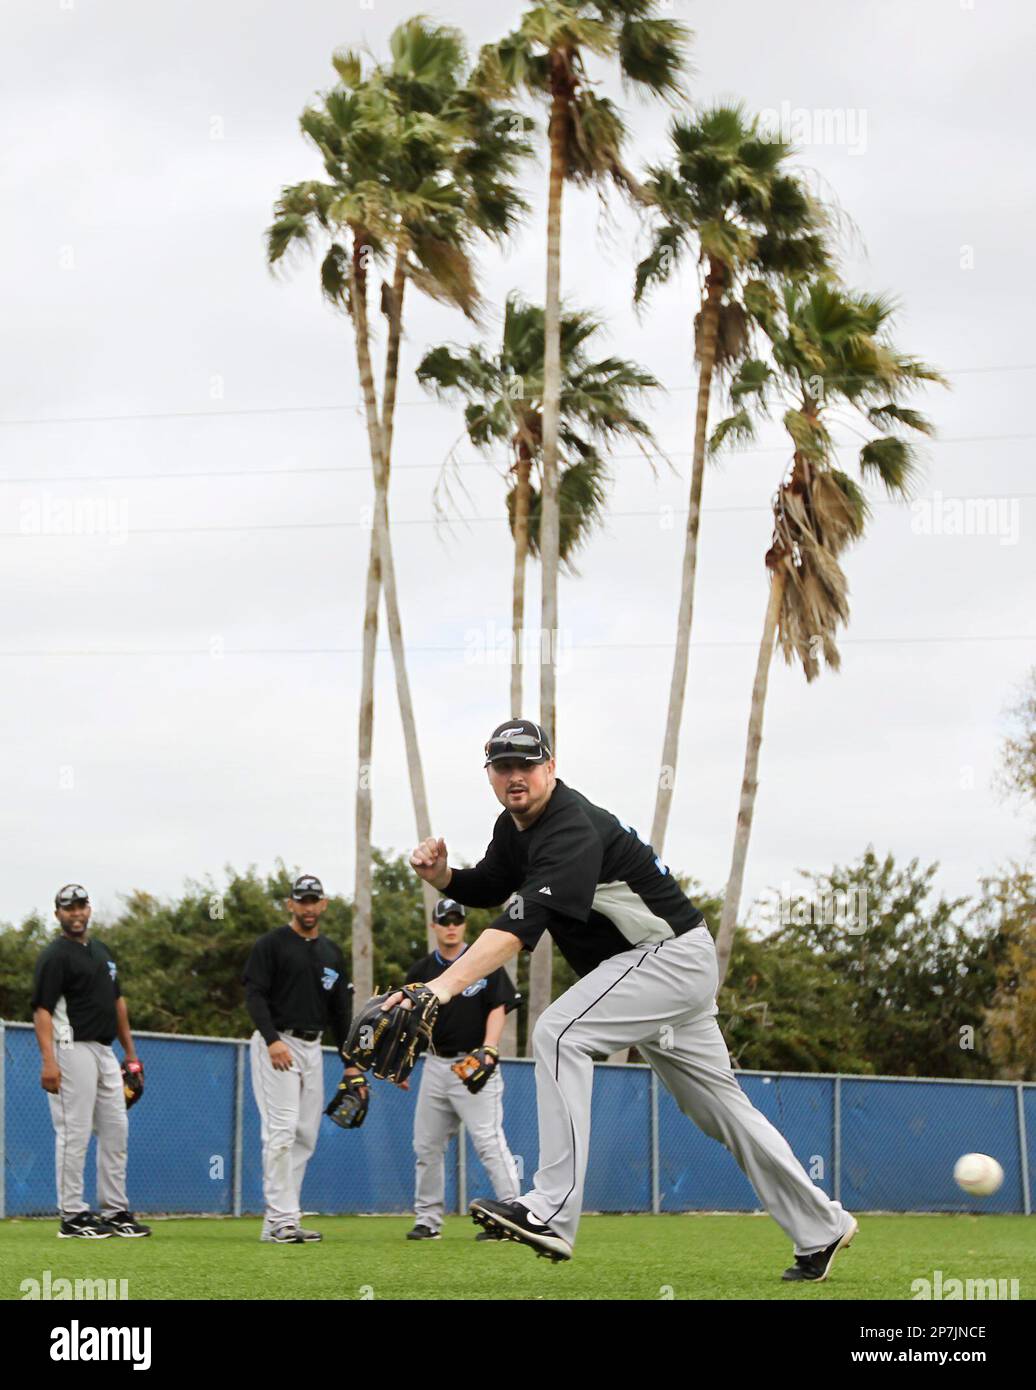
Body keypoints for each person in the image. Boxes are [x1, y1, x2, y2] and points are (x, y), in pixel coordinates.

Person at [408, 719, 858, 1280]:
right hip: (658, 970)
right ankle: (823, 1225)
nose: (515, 775)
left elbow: (520, 922)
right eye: (503, 766)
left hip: (666, 956)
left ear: (551, 768)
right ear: (491, 776)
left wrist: (441, 985)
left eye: (527, 763)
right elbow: (492, 888)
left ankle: (550, 1208)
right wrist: (443, 875)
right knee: (722, 1112)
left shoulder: (571, 826)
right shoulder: (514, 828)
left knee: (557, 1033)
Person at [243, 873, 366, 1244]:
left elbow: (341, 1013)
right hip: (278, 1043)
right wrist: (271, 1040)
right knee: (280, 1131)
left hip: (313, 1049)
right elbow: (254, 994)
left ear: (323, 905)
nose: (308, 906)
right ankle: (282, 1220)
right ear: (291, 905)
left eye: (315, 900)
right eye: (303, 900)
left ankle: (280, 1220)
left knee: (304, 1136)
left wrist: (351, 1063)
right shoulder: (272, 945)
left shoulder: (331, 952)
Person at [31, 883, 151, 1239]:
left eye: (81, 905)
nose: (76, 913)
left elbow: (118, 1004)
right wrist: (48, 1061)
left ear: (89, 909)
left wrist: (130, 1054)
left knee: (116, 1130)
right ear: (58, 915)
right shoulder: (54, 955)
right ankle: (72, 1215)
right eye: (68, 908)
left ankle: (114, 1211)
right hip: (70, 1048)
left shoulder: (102, 952)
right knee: (74, 1132)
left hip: (104, 1049)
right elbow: (42, 1010)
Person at [405, 897, 520, 1242]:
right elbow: (412, 1022)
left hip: (473, 1063)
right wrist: (405, 1064)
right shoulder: (421, 971)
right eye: (445, 920)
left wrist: (490, 1048)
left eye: (457, 919)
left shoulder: (482, 962)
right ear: (434, 926)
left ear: (464, 925)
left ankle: (512, 1213)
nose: (451, 925)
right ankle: (428, 1220)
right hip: (436, 1065)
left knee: (488, 1141)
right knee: (426, 1145)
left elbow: (498, 1006)